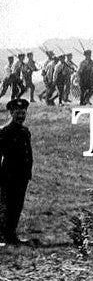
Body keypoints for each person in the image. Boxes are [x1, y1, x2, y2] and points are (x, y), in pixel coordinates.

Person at [0, 98, 33, 245]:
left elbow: (27, 154)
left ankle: (11, 235)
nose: (21, 116)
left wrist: (28, 173)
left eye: (23, 113)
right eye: (18, 113)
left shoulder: (25, 131)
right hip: (8, 176)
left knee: (17, 206)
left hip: (22, 176)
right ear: (11, 113)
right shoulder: (4, 131)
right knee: (6, 206)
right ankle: (3, 236)